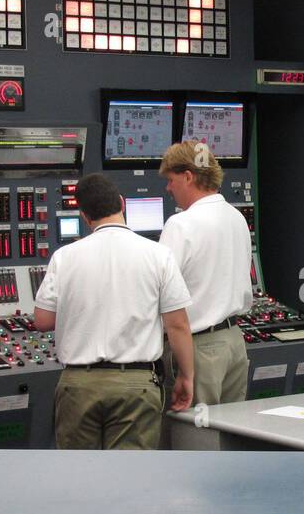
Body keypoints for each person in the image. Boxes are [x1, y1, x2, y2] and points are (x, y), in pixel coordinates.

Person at [33, 173, 194, 450]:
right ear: (121, 203)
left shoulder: (65, 257)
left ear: (85, 217)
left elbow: (43, 320)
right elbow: (177, 324)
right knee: (128, 483)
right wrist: (186, 376)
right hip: (136, 386)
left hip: (78, 386)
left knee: (80, 480)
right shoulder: (158, 255)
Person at [158, 141, 253, 406]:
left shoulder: (180, 224)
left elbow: (162, 292)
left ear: (188, 176)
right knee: (229, 435)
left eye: (171, 179)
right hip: (234, 342)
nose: (168, 188)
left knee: (195, 437)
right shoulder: (237, 218)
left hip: (199, 348)